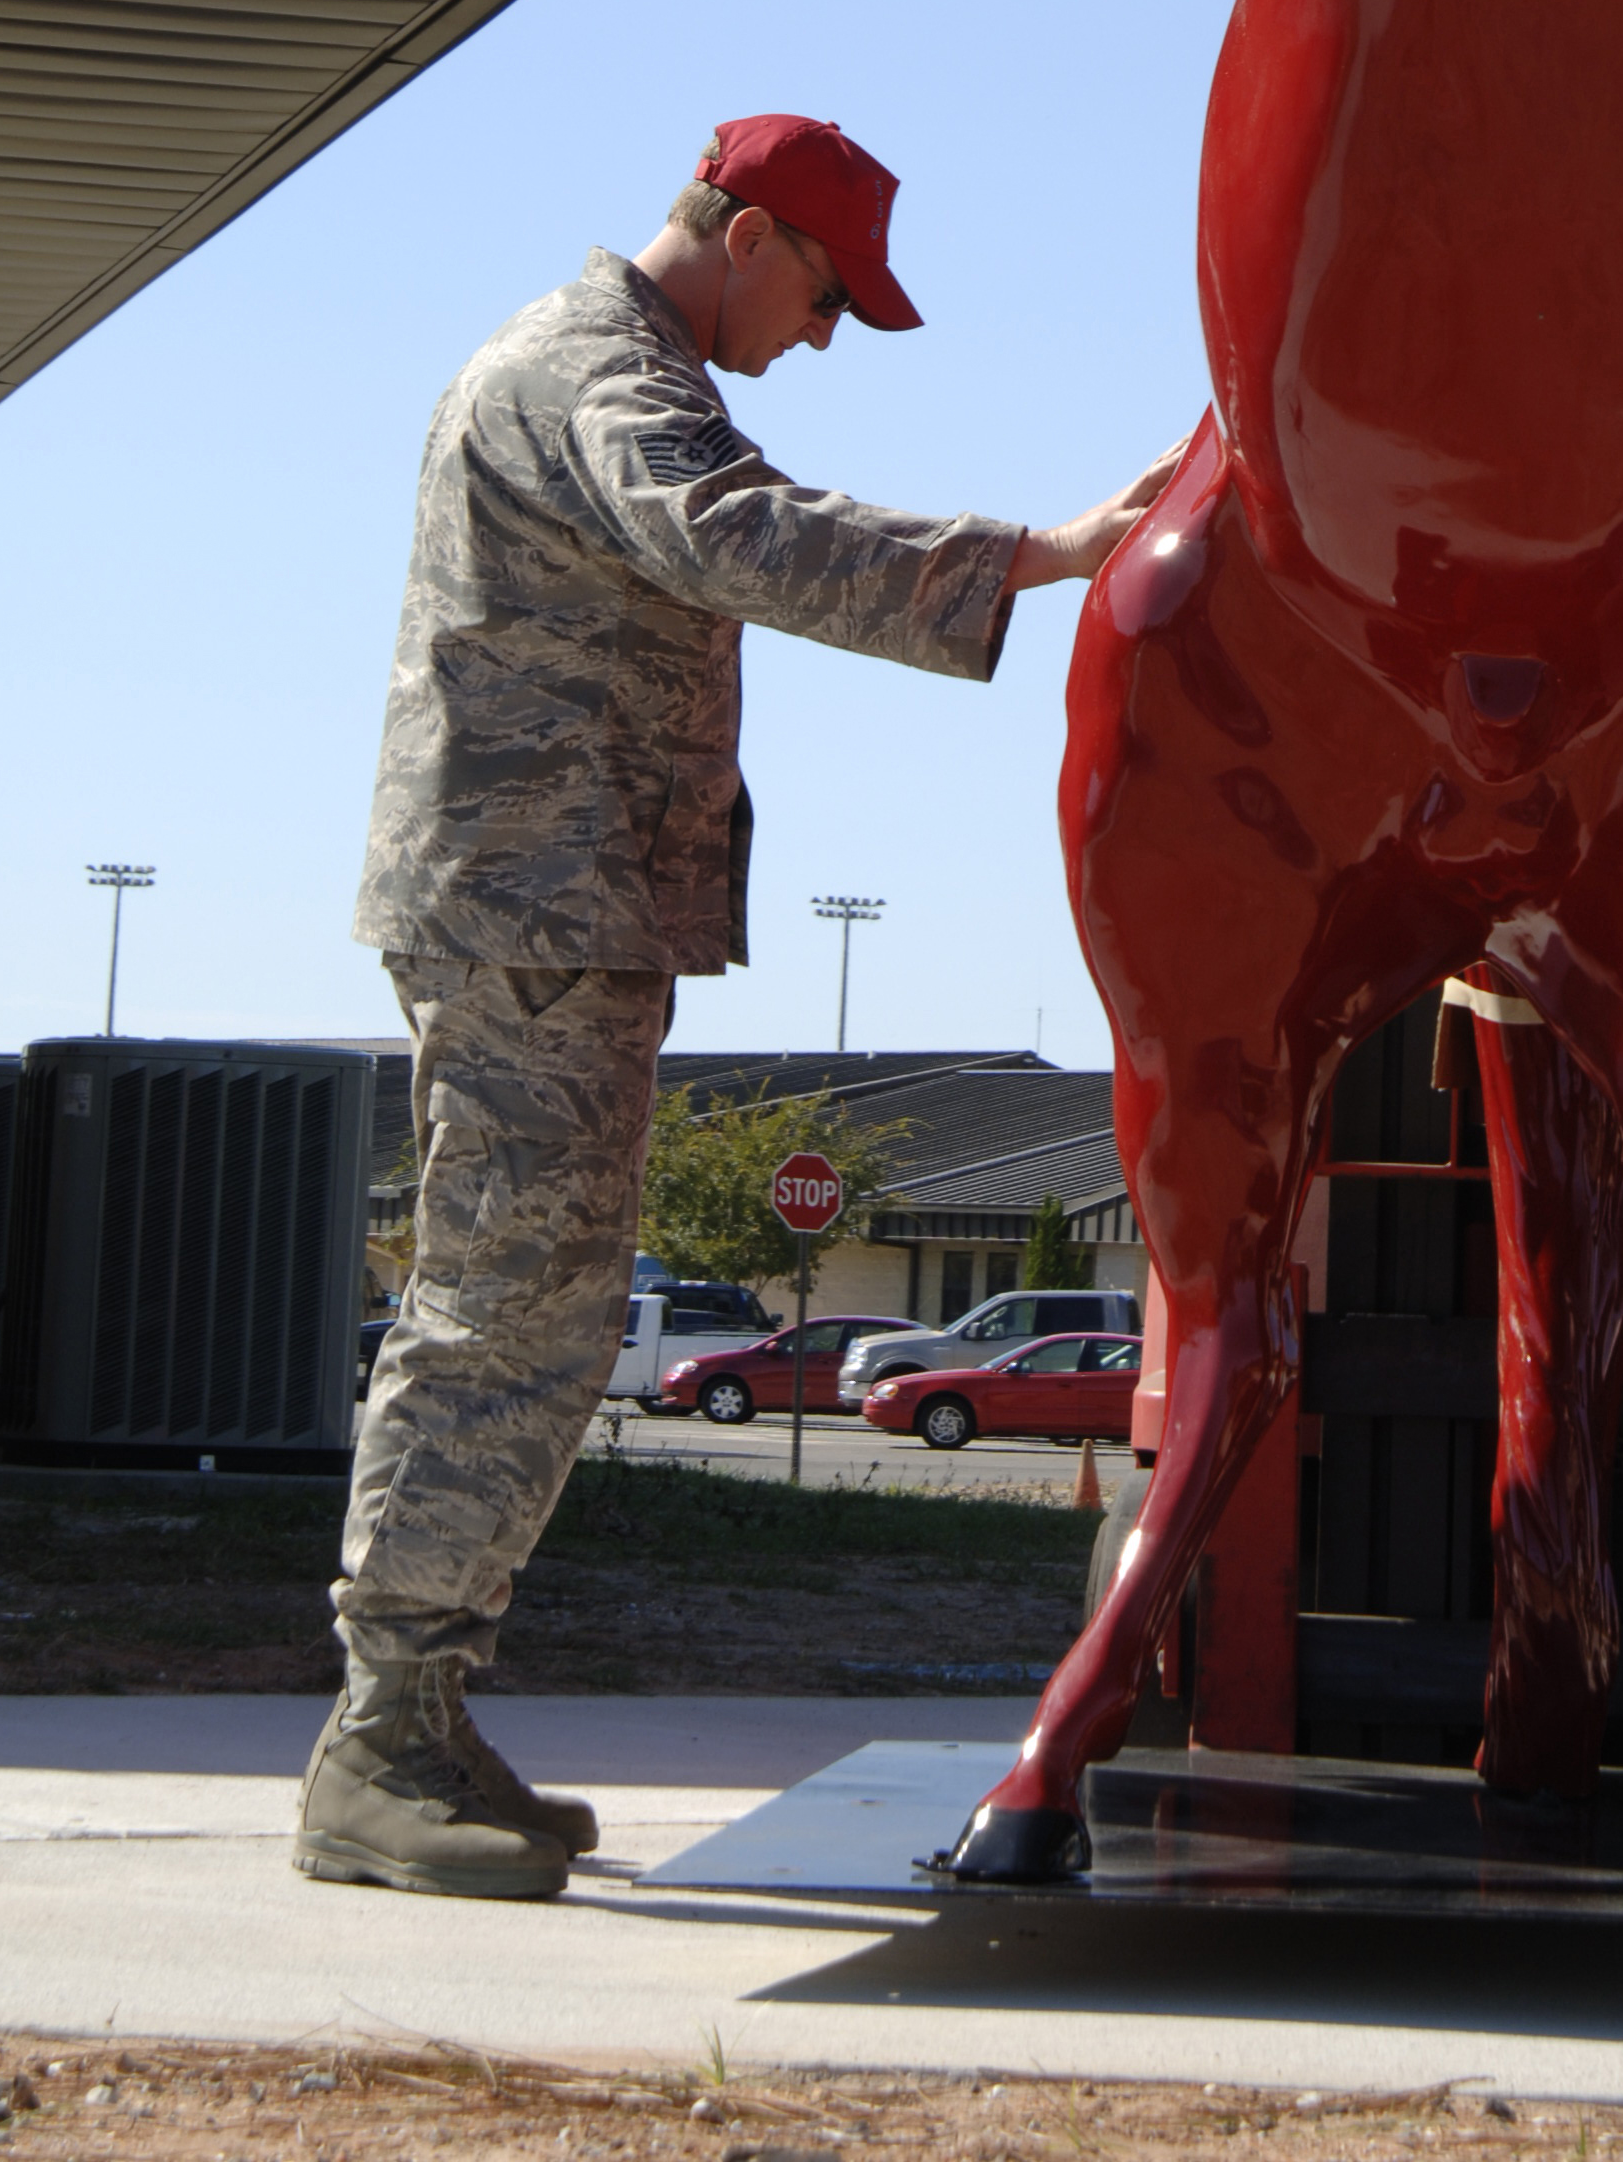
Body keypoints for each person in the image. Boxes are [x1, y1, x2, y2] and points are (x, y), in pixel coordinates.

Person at [295, 112, 1183, 1903]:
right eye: (830, 294)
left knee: (533, 1323)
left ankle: (419, 1714)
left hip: (558, 910)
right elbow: (729, 534)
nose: (828, 338)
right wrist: (1046, 552)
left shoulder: (607, 365)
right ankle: (381, 1742)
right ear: (751, 230)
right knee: (499, 1320)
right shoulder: (596, 375)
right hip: (528, 913)